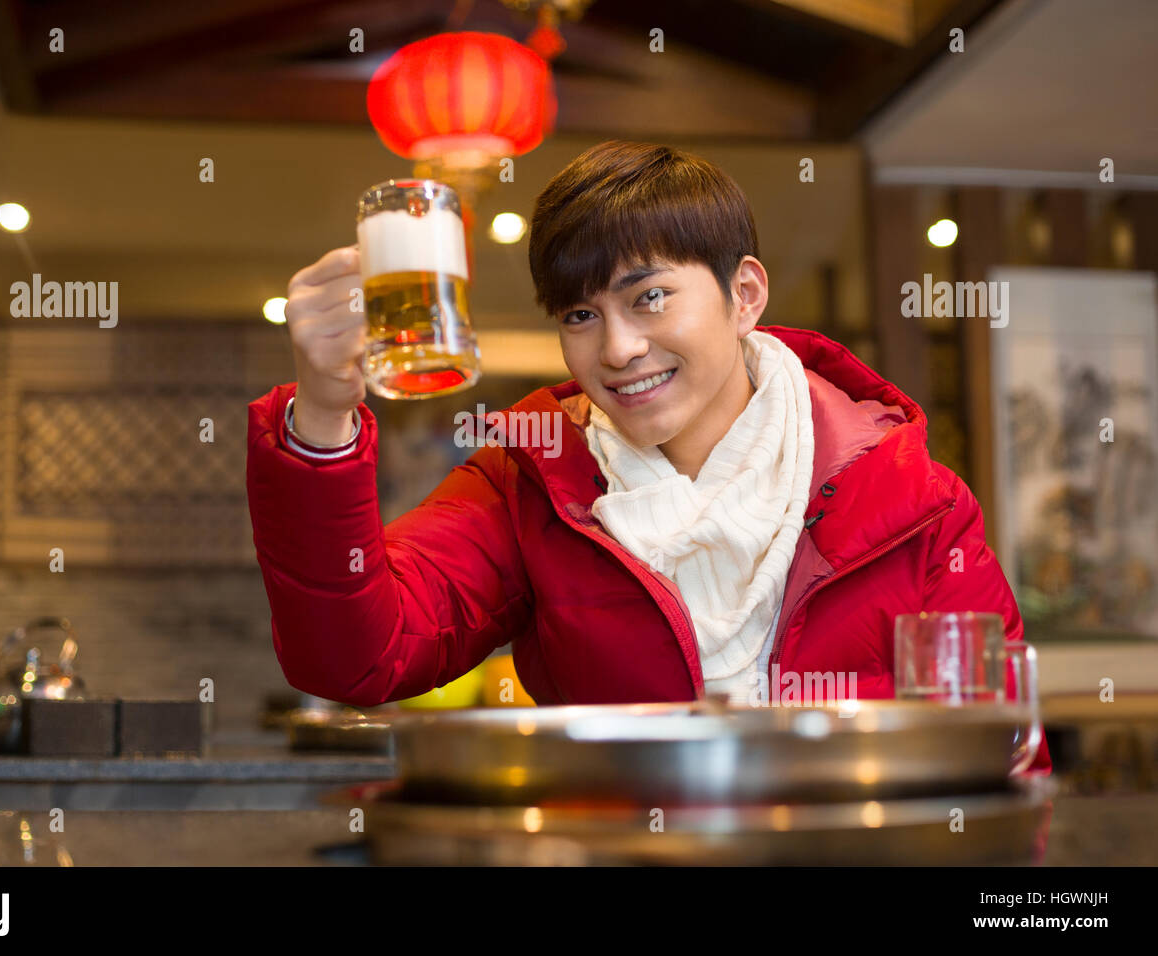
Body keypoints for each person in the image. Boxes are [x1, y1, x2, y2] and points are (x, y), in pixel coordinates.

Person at [246, 139, 1051, 774]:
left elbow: (1004, 760)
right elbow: (354, 660)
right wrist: (322, 411)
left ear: (745, 295)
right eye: (579, 315)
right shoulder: (529, 479)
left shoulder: (915, 501)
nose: (619, 348)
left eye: (649, 296)